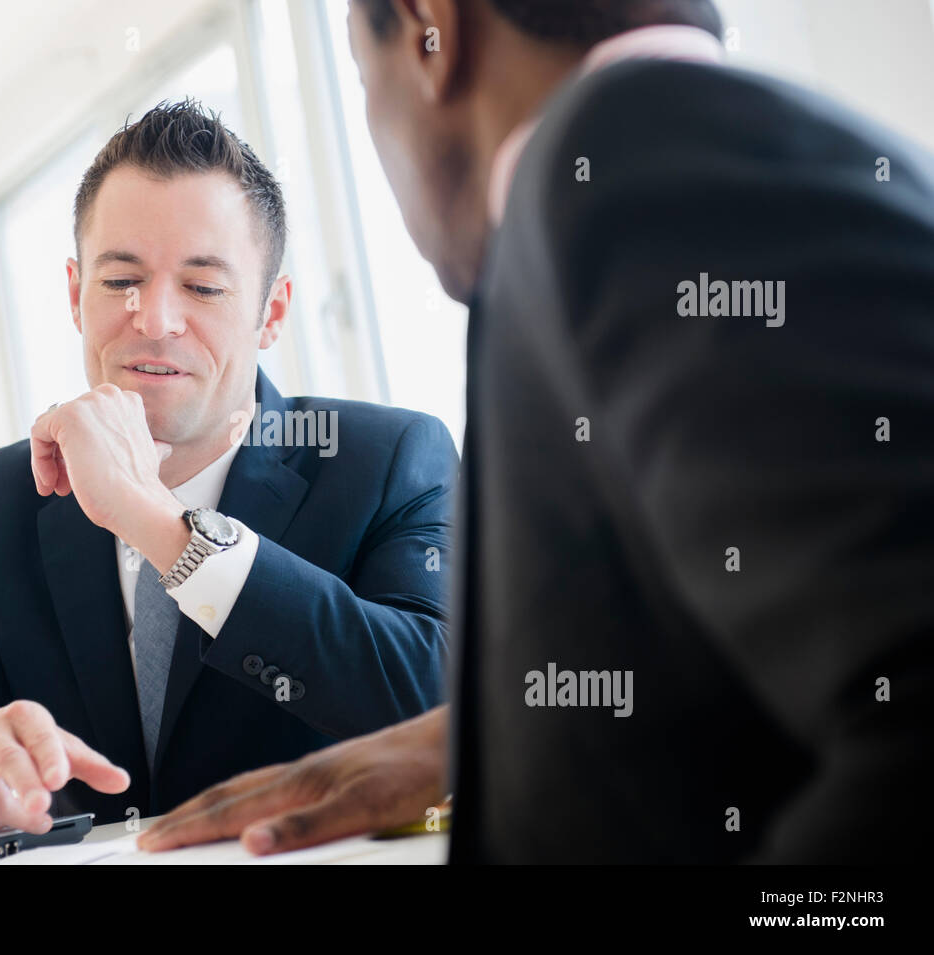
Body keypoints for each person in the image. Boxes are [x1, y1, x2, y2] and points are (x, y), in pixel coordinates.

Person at [139, 0, 934, 863]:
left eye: (364, 83)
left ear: (428, 32)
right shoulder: (643, 163)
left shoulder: (631, 153)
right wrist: (480, 735)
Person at [0, 101, 458, 836]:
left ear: (272, 312)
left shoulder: (388, 458)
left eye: (204, 287)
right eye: (120, 281)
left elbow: (438, 705)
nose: (154, 319)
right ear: (74, 295)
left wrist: (153, 519)